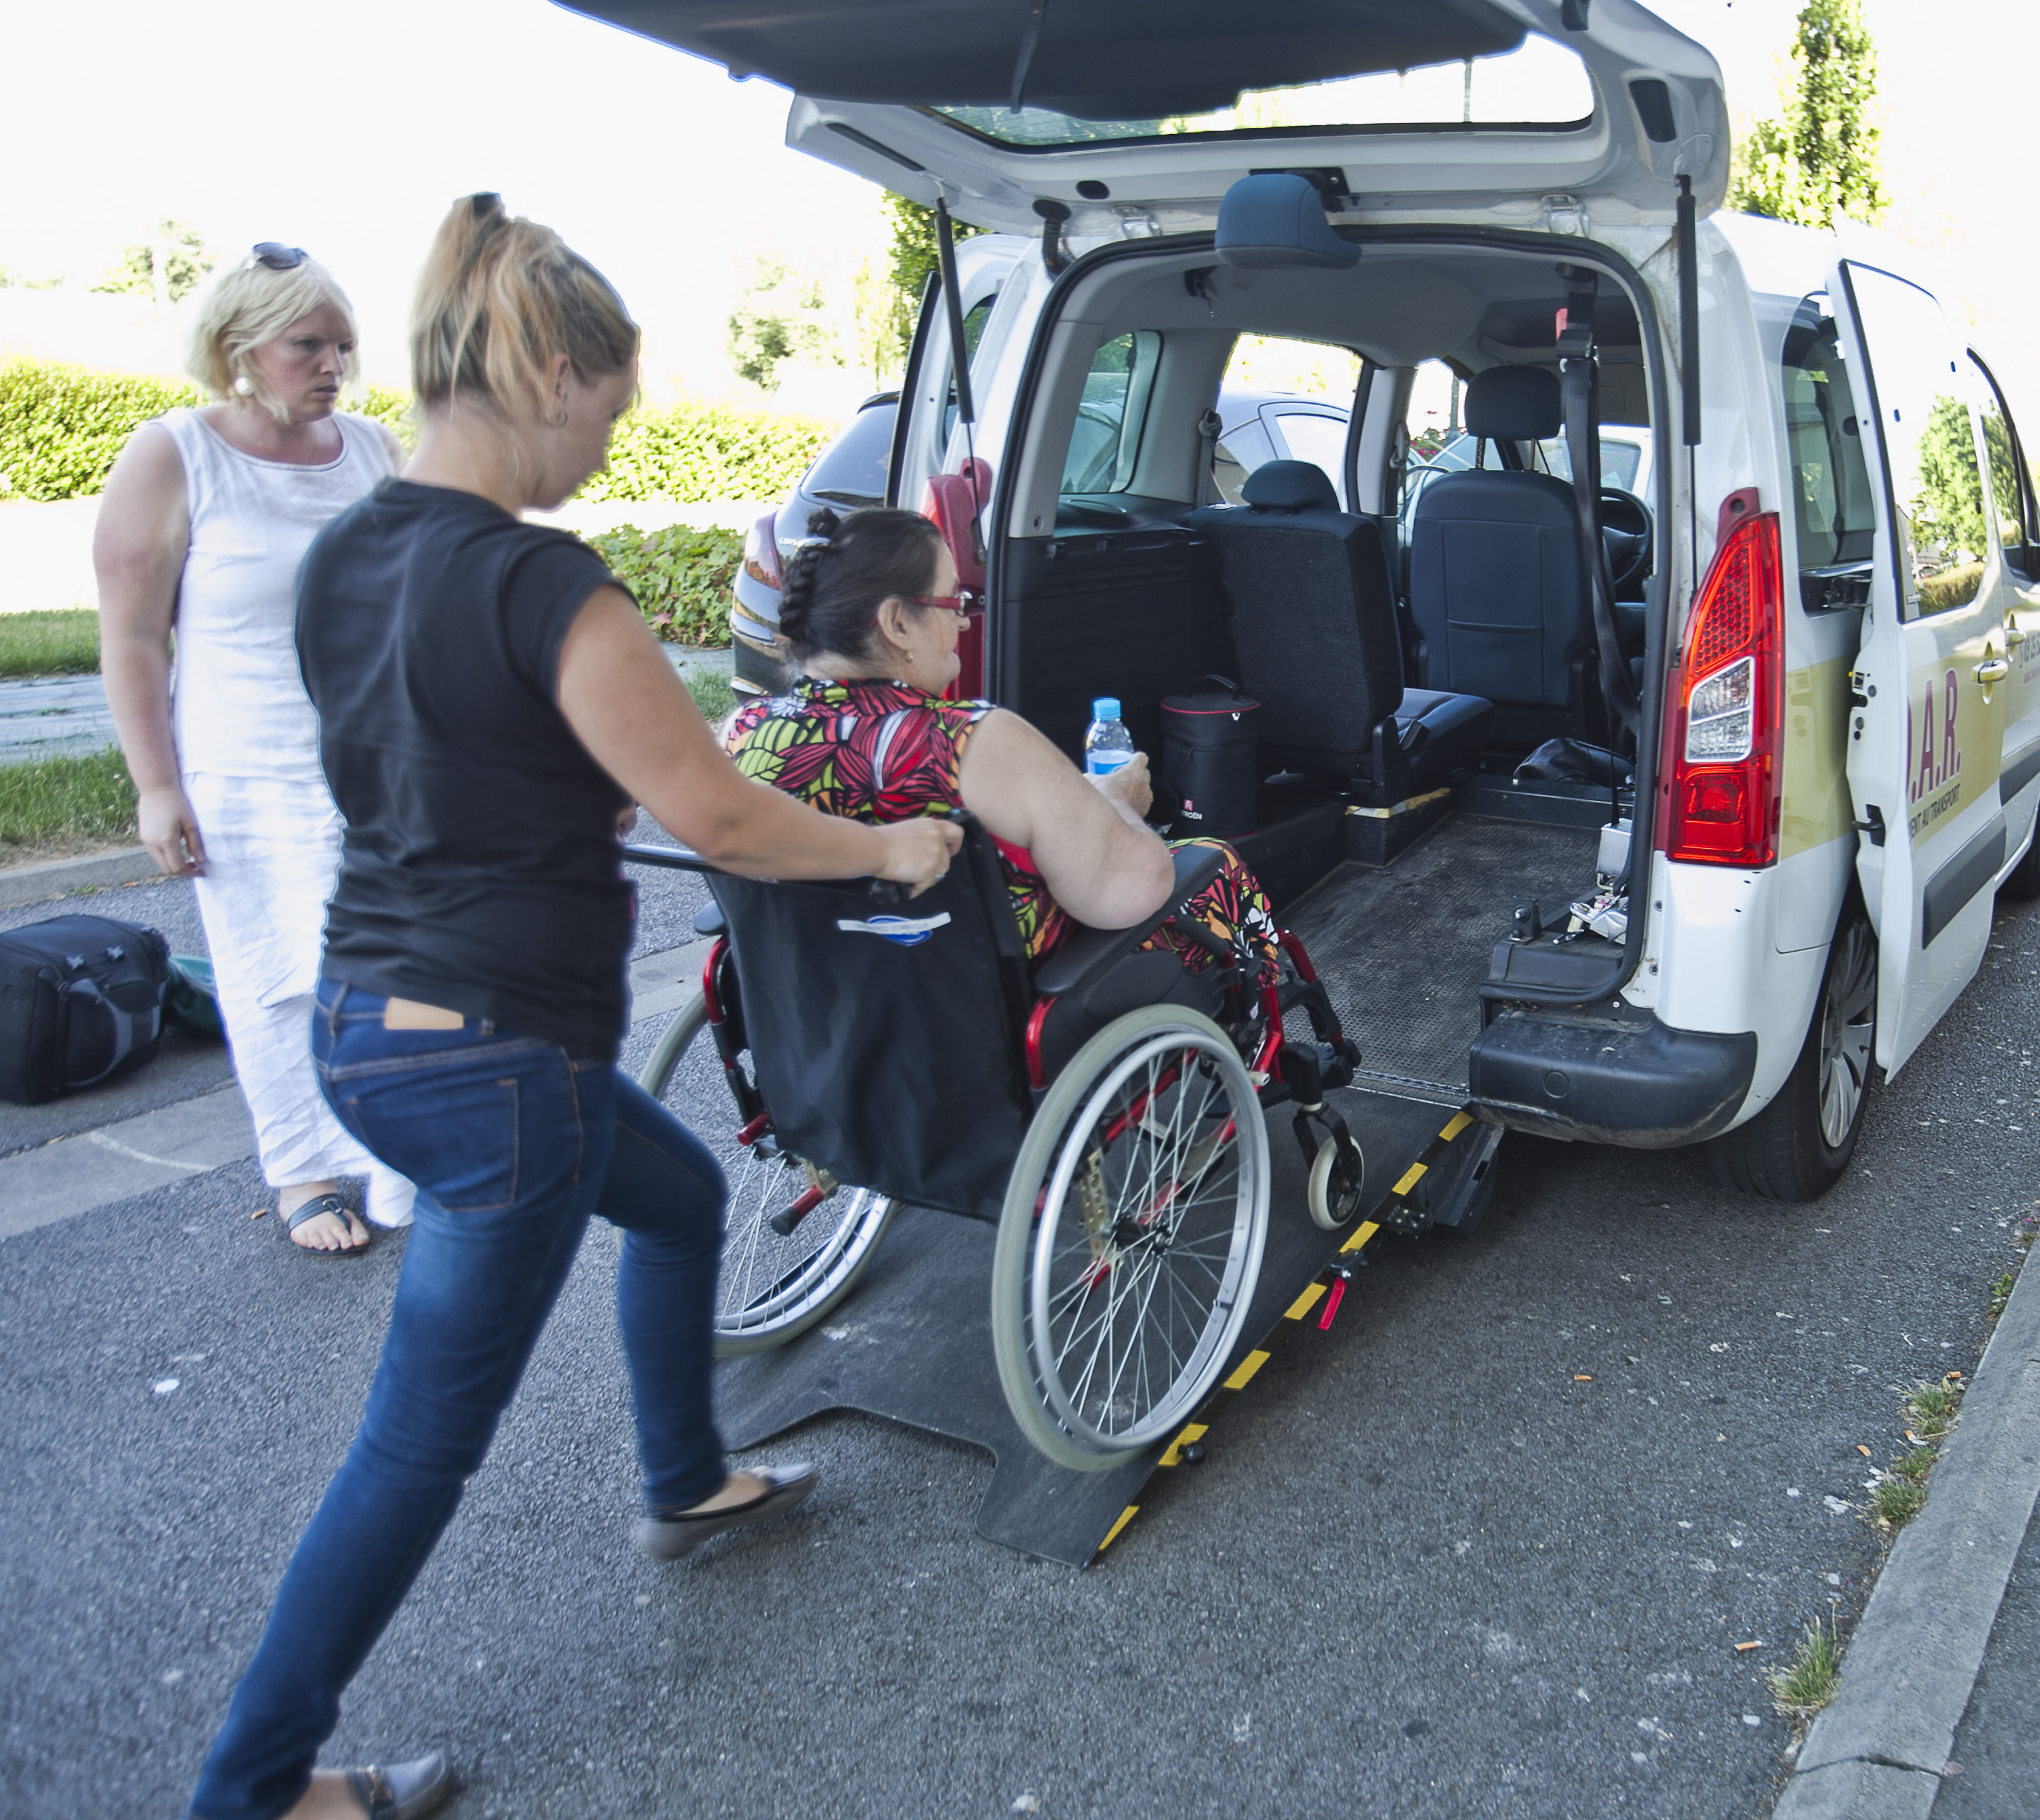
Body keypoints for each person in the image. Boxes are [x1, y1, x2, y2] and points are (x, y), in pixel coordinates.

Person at [181, 195, 958, 1820]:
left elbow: (408, 756)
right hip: (497, 1064)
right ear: (545, 370)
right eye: (604, 415)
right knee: (416, 1446)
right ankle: (253, 1785)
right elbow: (727, 817)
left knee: (675, 1201)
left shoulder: (349, 556)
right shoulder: (552, 588)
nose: (603, 454)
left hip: (365, 1022)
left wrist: (561, 802)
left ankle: (690, 1477)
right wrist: (891, 841)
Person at [95, 245, 419, 1255]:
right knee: (277, 975)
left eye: (344, 346)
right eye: (307, 345)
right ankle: (306, 1172)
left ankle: (402, 1156)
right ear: (241, 347)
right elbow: (134, 635)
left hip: (375, 759)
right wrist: (156, 786)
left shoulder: (369, 449)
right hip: (245, 765)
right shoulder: (175, 452)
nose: (333, 365)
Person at [725, 506, 1285, 982]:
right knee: (1214, 865)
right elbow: (1132, 893)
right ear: (897, 623)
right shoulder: (970, 741)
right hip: (983, 1019)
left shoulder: (739, 735)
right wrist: (1114, 801)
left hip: (819, 1013)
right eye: (953, 603)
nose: (966, 624)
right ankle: (1258, 1048)